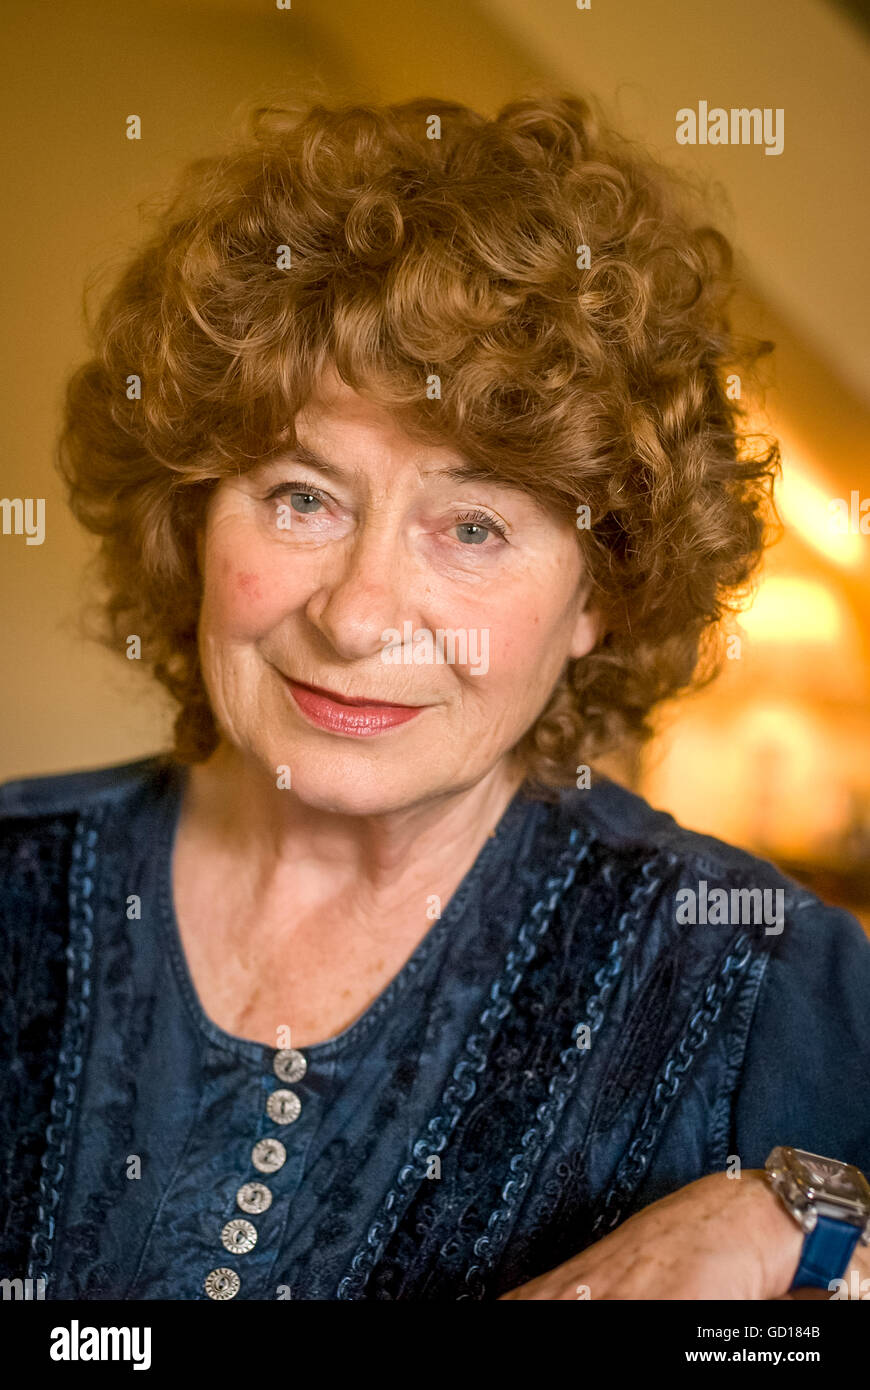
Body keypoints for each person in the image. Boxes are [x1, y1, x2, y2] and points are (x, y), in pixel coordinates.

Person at [2, 92, 869, 1302]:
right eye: (301, 496)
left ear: (597, 596)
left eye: (473, 525)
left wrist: (803, 1227)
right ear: (192, 516)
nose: (358, 614)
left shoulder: (765, 975)